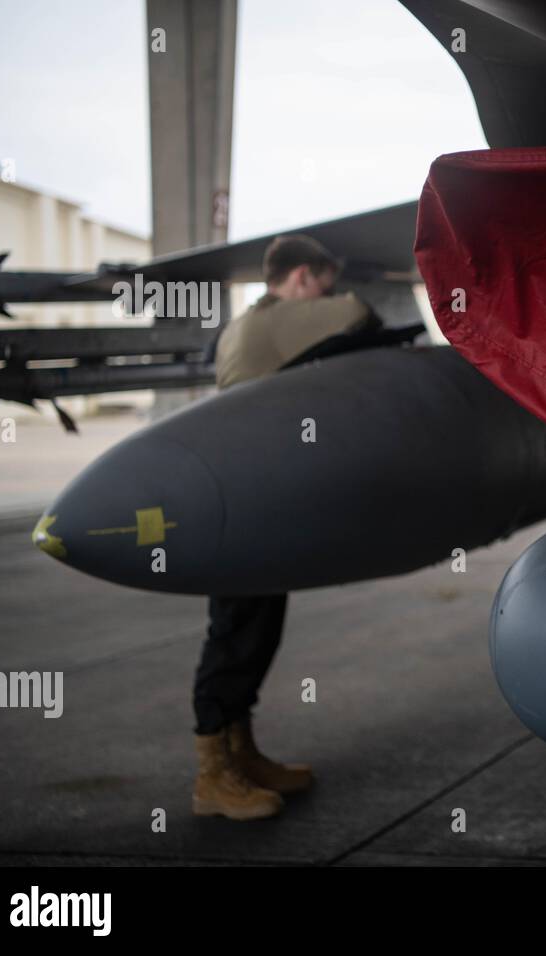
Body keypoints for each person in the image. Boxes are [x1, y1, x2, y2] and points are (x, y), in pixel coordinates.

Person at [192, 234, 377, 820]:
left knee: (254, 628)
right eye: (321, 282)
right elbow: (358, 314)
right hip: (241, 500)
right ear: (299, 278)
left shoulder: (249, 326)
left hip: (250, 496)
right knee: (235, 633)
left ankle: (242, 756)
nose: (328, 292)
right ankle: (212, 778)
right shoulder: (271, 322)